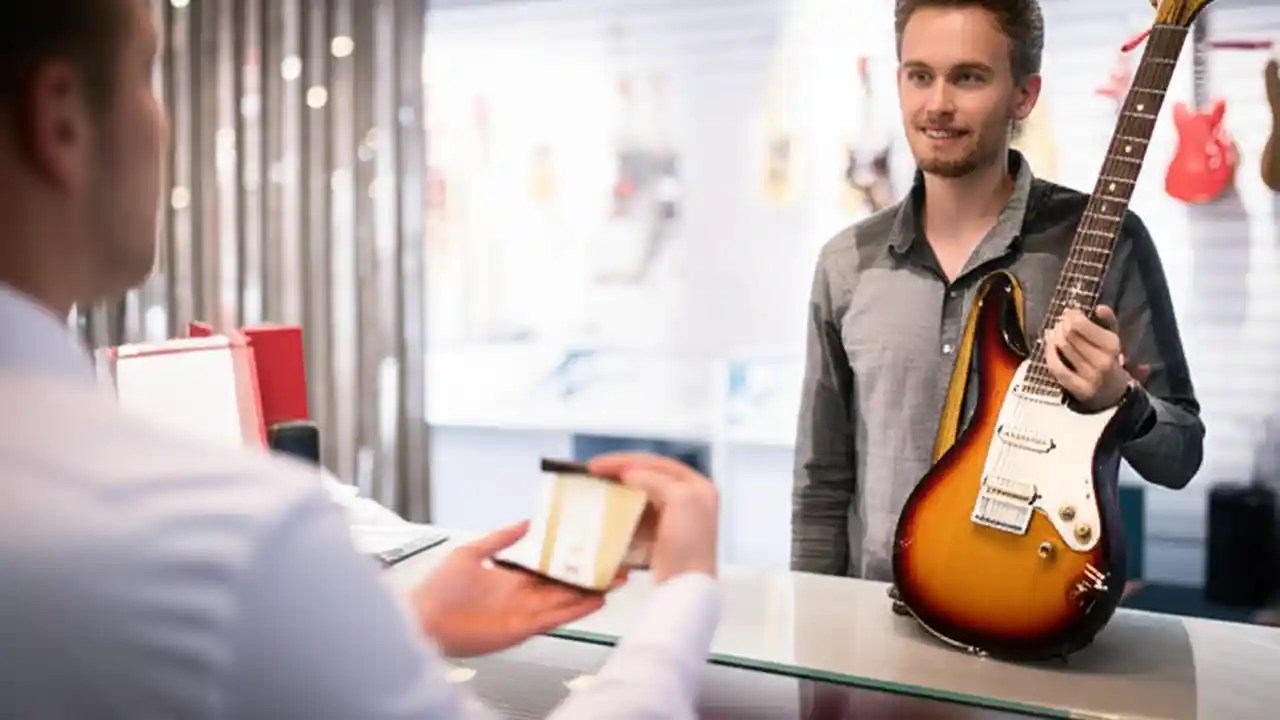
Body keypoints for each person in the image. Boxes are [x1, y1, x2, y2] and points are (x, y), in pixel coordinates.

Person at [0, 1, 721, 717]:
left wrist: (395, 630)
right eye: (145, 74)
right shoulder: (226, 536)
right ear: (60, 117)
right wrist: (685, 594)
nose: (164, 124)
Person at [791, 0, 1204, 581]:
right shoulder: (846, 264)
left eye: (969, 77)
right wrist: (816, 653)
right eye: (920, 76)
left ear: (1024, 95)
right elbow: (821, 482)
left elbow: (1182, 454)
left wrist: (1120, 400)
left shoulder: (1107, 239)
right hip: (874, 635)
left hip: (1034, 625)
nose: (938, 104)